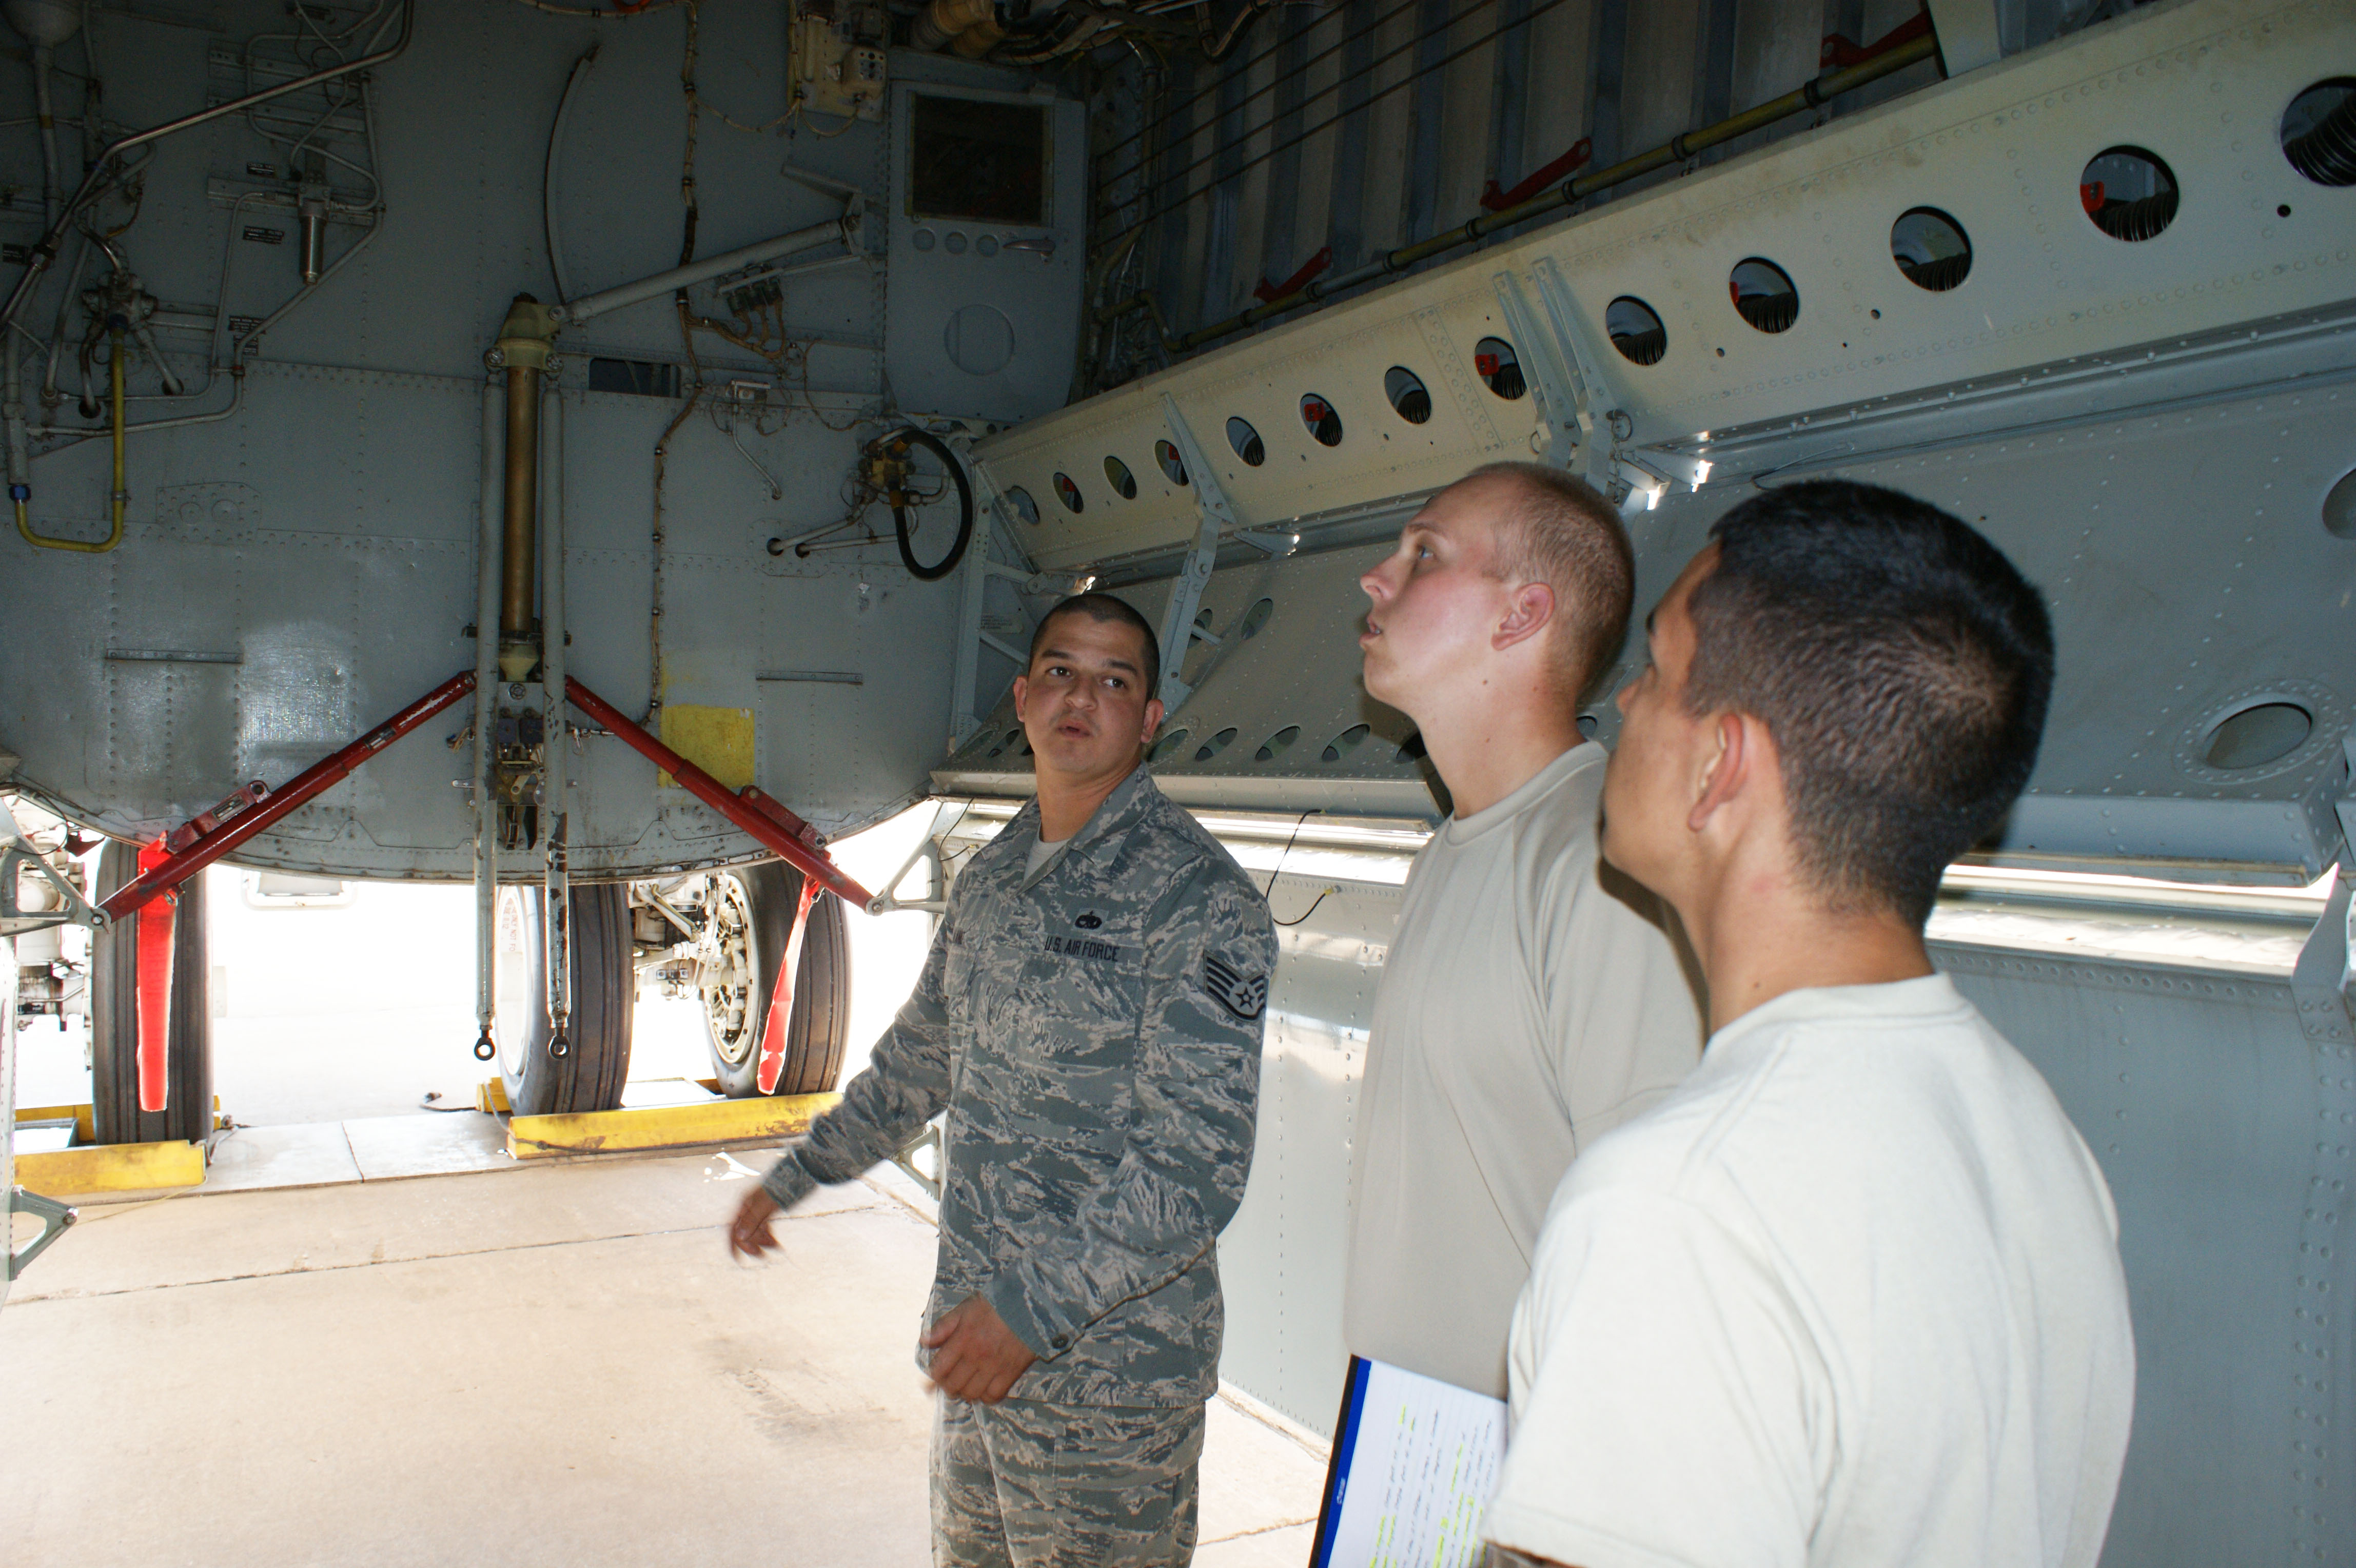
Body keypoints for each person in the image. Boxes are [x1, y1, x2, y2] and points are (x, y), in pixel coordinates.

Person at [1486, 481, 2135, 1568]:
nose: (1626, 705)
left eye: (1655, 667)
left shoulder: (1677, 1206)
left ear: (1718, 767)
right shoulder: (2039, 1142)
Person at [727, 592, 1277, 1568]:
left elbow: (1195, 1169)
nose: (1084, 697)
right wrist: (797, 1175)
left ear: (1149, 723)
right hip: (980, 1357)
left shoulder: (1199, 900)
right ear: (1023, 698)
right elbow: (917, 1065)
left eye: (1117, 682)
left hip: (1108, 1389)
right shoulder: (995, 878)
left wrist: (1028, 1314)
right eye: (1063, 671)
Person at [1344, 461, 1704, 1401]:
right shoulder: (1456, 849)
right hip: (1413, 1459)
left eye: (1424, 554)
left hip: (1528, 1494)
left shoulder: (1601, 865)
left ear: (1521, 616)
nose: (1377, 579)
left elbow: (1659, 1253)